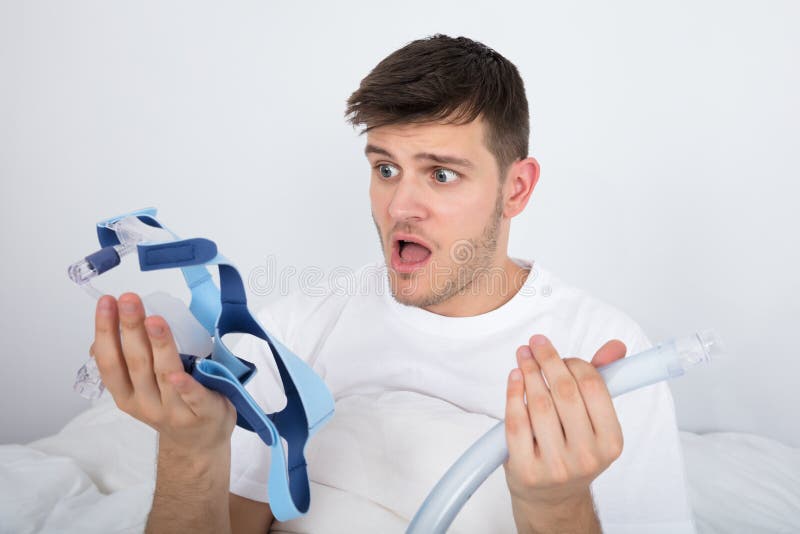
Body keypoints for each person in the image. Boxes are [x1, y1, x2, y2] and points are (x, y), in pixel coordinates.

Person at [90, 34, 695, 533]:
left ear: (516, 188)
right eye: (385, 168)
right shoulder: (292, 332)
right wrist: (190, 453)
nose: (400, 206)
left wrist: (557, 508)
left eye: (441, 174)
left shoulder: (602, 358)